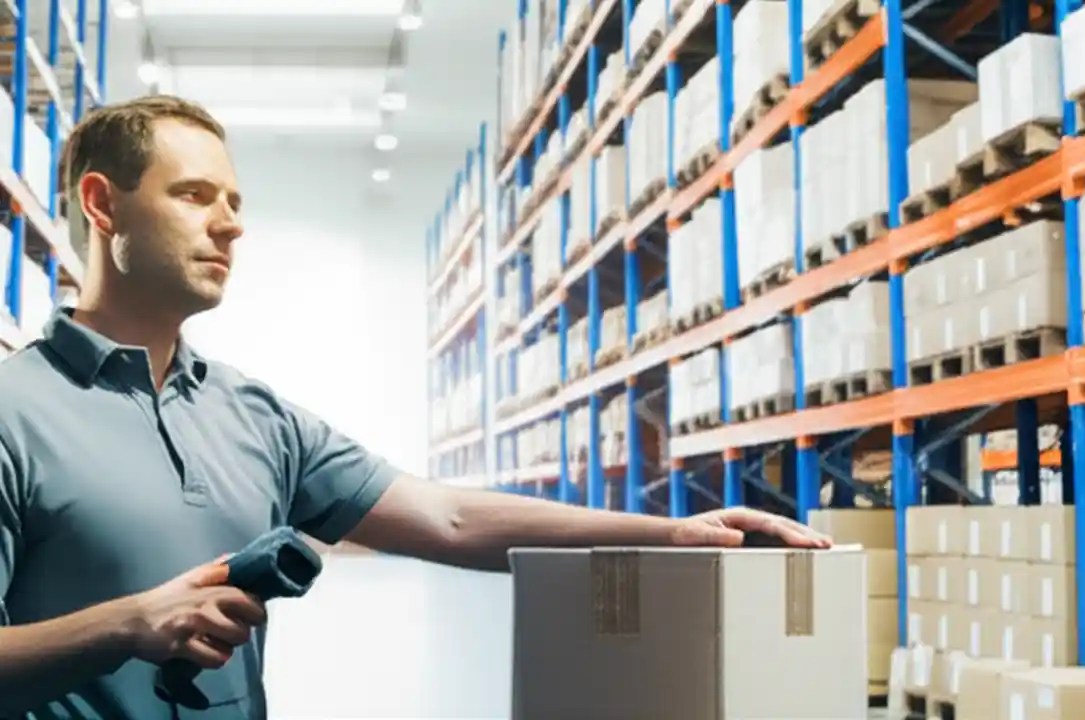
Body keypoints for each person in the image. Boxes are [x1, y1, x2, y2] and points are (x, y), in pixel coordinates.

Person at [0, 95, 832, 718]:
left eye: (236, 203)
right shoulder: (16, 411)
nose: (230, 226)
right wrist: (129, 624)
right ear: (103, 205)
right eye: (193, 196)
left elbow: (447, 519)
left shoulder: (254, 416)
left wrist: (680, 536)